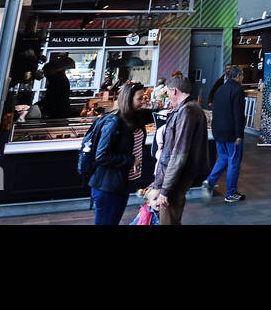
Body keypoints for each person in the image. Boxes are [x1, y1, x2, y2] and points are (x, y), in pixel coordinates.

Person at [149, 76, 210, 225]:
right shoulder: (191, 108)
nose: (168, 96)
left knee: (169, 219)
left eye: (168, 93)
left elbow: (178, 154)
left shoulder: (186, 111)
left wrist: (165, 188)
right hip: (178, 176)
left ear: (174, 91)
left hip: (177, 178)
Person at [87, 82, 149, 225]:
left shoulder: (134, 118)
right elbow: (101, 156)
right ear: (128, 99)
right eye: (140, 98)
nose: (143, 101)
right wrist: (130, 160)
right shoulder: (114, 122)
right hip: (107, 186)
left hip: (122, 183)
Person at [204, 65, 247, 202]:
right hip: (231, 132)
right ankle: (231, 193)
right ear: (238, 76)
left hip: (218, 131)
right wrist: (239, 134)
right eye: (242, 76)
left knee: (222, 158)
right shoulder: (238, 90)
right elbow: (238, 114)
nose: (243, 78)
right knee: (234, 161)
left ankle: (209, 182)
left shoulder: (220, 89)